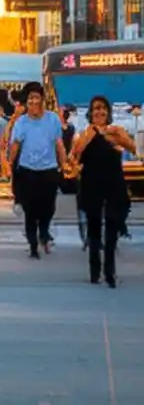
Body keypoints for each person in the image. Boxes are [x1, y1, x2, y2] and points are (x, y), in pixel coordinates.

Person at [69, 95, 134, 287]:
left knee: (112, 225)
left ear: (108, 112)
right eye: (96, 108)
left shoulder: (117, 131)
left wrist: (117, 139)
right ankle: (94, 270)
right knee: (94, 227)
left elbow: (132, 146)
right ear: (91, 113)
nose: (100, 112)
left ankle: (110, 270)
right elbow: (75, 155)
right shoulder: (85, 133)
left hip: (113, 183)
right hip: (92, 184)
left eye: (103, 108)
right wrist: (89, 137)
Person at [7, 82, 68, 259]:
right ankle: (33, 244)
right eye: (30, 100)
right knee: (30, 210)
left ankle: (44, 231)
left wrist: (64, 165)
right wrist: (9, 167)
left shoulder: (52, 120)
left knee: (48, 208)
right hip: (27, 171)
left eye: (36, 98)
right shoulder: (21, 123)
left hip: (48, 169)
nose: (33, 103)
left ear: (42, 100)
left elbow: (59, 144)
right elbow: (15, 146)